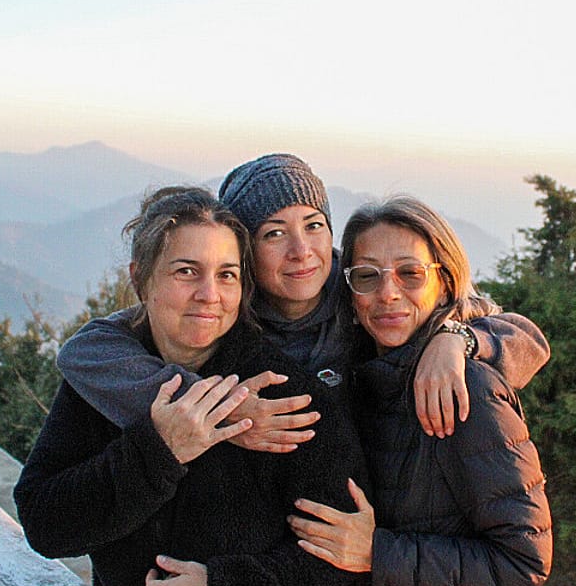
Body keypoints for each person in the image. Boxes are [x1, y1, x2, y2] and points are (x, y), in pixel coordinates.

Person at [13, 187, 372, 586]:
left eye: (227, 274)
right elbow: (44, 522)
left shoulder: (283, 396)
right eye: (187, 271)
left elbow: (337, 552)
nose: (209, 293)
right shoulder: (101, 385)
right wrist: (159, 449)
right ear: (140, 278)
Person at [56, 153, 550, 451]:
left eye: (314, 225)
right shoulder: (223, 313)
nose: (302, 252)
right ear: (247, 252)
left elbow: (521, 334)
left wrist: (455, 339)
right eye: (275, 233)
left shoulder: (358, 290)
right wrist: (221, 411)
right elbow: (86, 351)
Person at [288, 195, 553, 586]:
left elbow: (523, 561)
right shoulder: (366, 377)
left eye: (410, 273)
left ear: (444, 280)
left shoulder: (463, 387)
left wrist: (375, 553)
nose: (387, 293)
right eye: (367, 276)